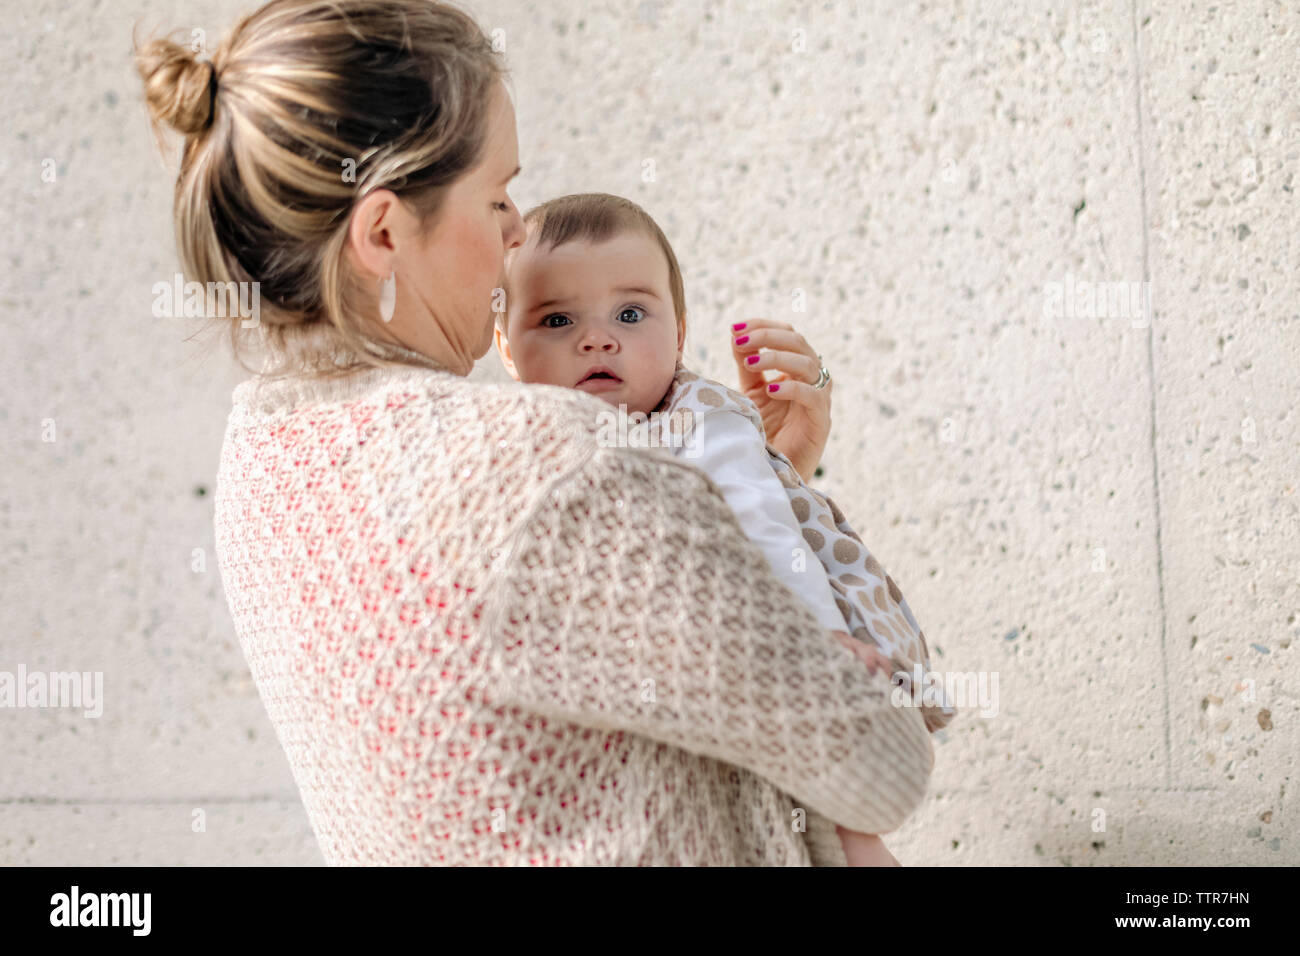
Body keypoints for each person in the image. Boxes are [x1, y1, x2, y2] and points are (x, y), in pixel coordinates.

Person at [135, 0, 933, 865]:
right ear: (383, 232)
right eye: (497, 197)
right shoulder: (563, 470)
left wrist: (760, 484)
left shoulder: (260, 457)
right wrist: (710, 511)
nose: (518, 231)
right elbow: (883, 769)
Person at [494, 192, 956, 865]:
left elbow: (761, 525)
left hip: (807, 639)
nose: (598, 338)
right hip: (692, 707)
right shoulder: (534, 446)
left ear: (680, 334)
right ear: (507, 350)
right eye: (558, 318)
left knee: (841, 829)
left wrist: (815, 638)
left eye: (630, 313)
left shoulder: (698, 418)